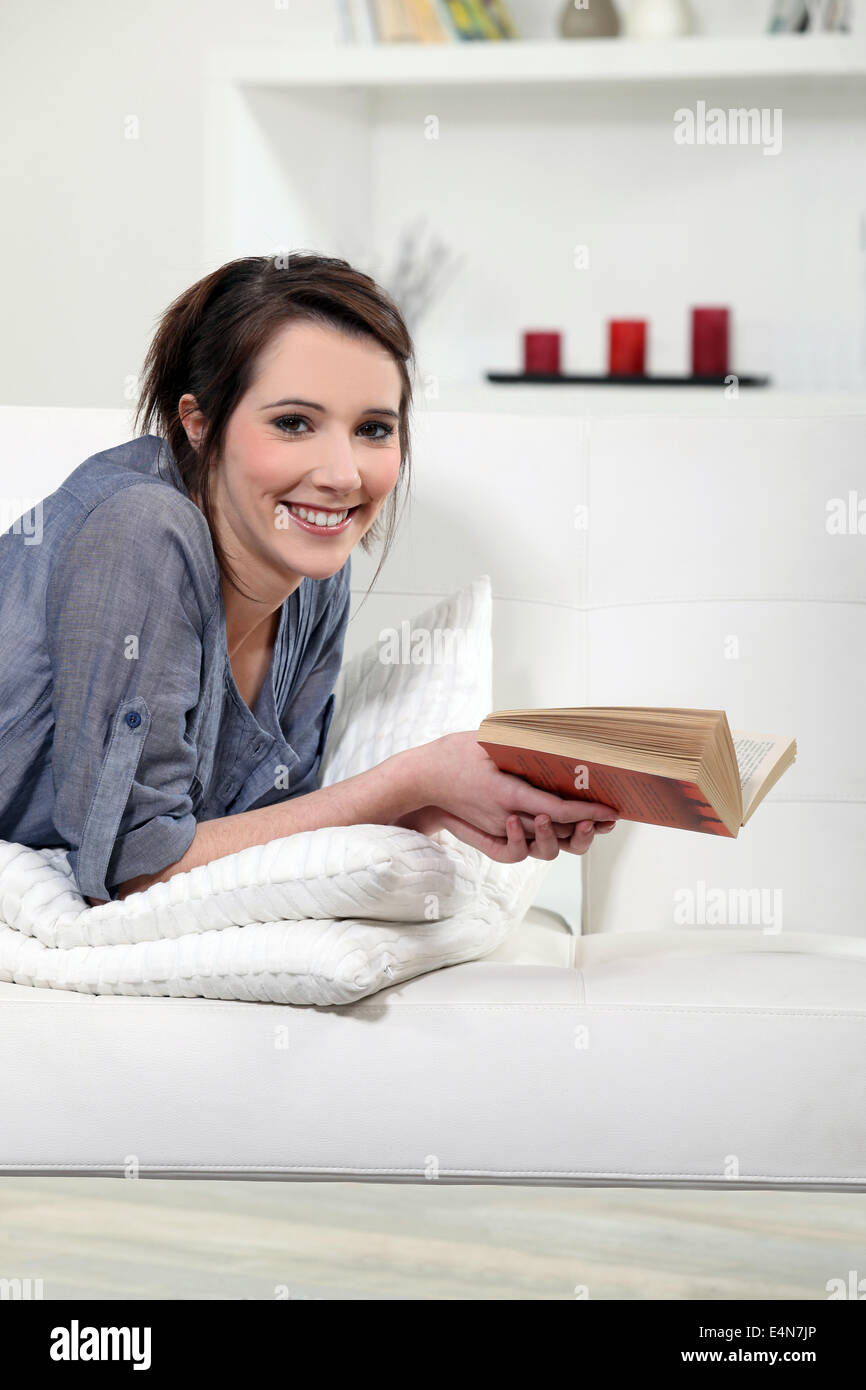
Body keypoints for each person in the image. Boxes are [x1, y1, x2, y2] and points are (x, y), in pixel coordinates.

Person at [0, 253, 618, 906]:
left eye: (373, 429)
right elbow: (134, 871)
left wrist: (432, 810)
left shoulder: (311, 570)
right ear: (199, 423)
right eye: (293, 423)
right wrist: (411, 779)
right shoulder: (142, 530)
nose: (342, 475)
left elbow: (248, 832)